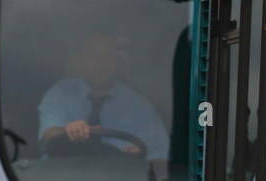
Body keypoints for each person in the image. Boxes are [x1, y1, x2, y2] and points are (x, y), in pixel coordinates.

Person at [38, 33, 169, 162]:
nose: (101, 63)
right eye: (93, 55)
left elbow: (160, 162)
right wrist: (67, 132)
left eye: (108, 56)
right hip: (63, 178)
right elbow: (48, 136)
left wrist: (138, 160)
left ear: (117, 63)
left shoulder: (141, 108)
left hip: (120, 180)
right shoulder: (60, 93)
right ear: (82, 60)